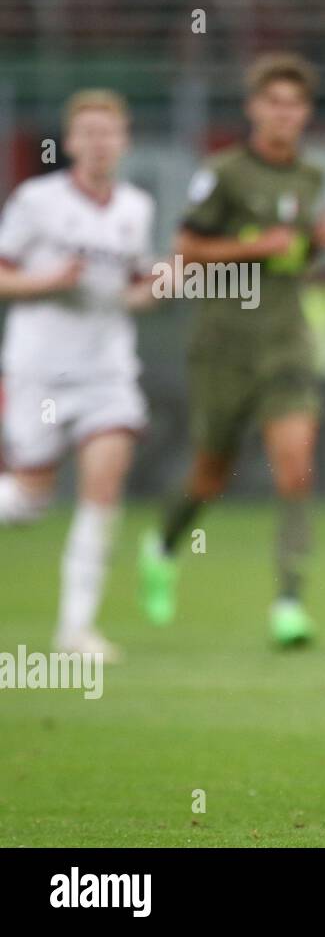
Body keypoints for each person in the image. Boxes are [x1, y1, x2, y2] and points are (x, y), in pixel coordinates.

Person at [139, 53, 325, 646]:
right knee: (211, 473)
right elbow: (185, 247)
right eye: (274, 102)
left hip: (286, 343)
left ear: (305, 113)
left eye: (295, 104)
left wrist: (312, 247)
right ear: (255, 109)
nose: (285, 114)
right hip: (224, 345)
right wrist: (257, 245)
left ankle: (289, 603)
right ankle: (164, 545)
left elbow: (292, 257)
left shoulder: (311, 178)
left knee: (296, 471)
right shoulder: (225, 172)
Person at [0, 89, 157, 660]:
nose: (98, 143)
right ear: (69, 143)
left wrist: (159, 287)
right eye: (87, 133)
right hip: (38, 371)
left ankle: (75, 629)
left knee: (103, 485)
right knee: (27, 501)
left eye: (108, 132)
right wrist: (46, 282)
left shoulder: (135, 208)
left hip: (106, 373)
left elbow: (132, 290)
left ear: (123, 141)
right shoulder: (36, 201)